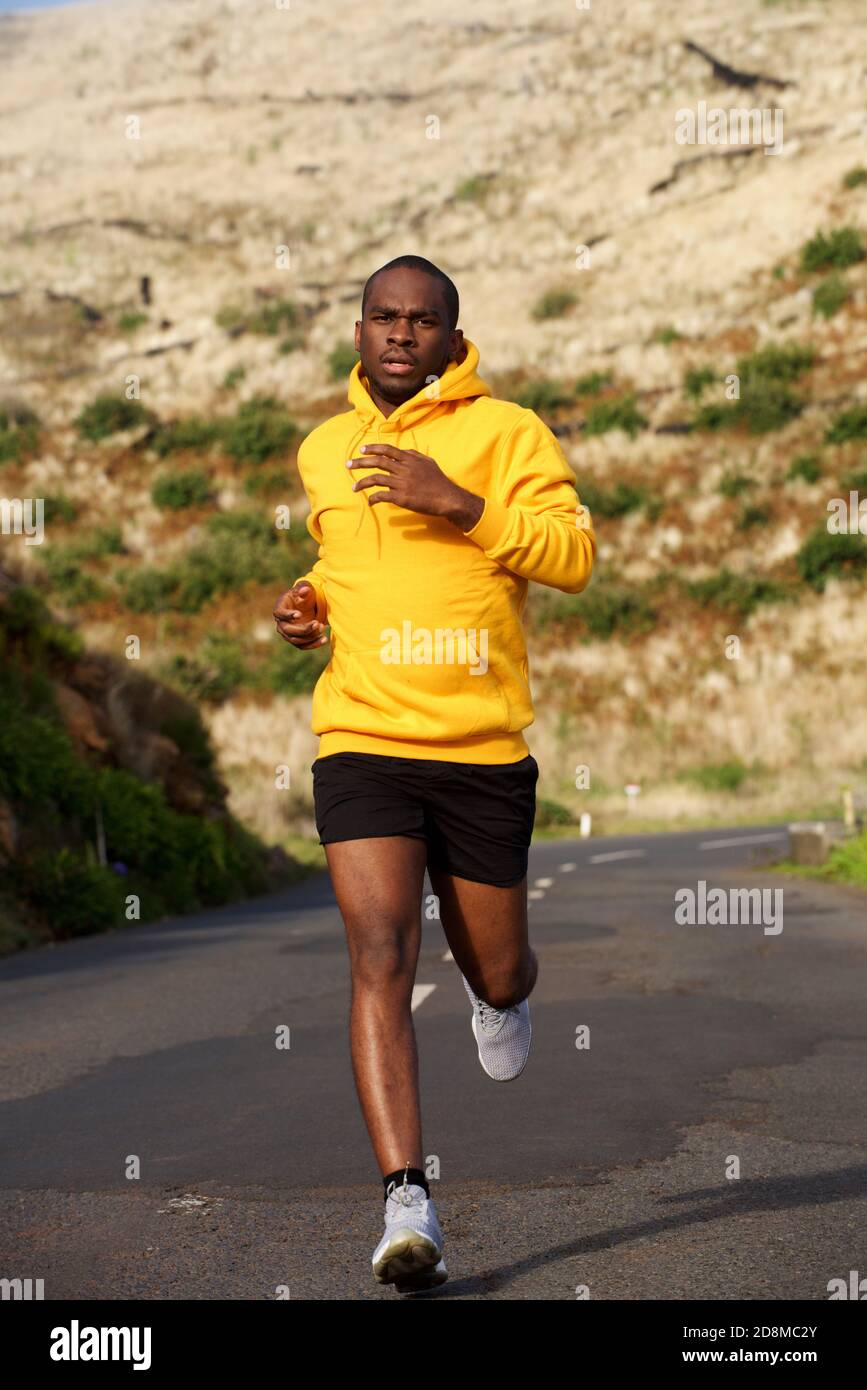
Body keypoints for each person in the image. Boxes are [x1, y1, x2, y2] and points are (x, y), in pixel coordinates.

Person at [273, 254, 596, 1293]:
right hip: (363, 737)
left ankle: (502, 995)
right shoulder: (324, 449)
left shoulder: (509, 434)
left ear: (454, 338)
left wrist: (458, 500)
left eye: (422, 320)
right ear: (359, 330)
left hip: (480, 749)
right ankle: (407, 1199)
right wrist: (307, 607)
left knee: (496, 966)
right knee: (379, 947)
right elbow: (344, 563)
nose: (401, 333)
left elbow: (572, 555)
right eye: (383, 316)